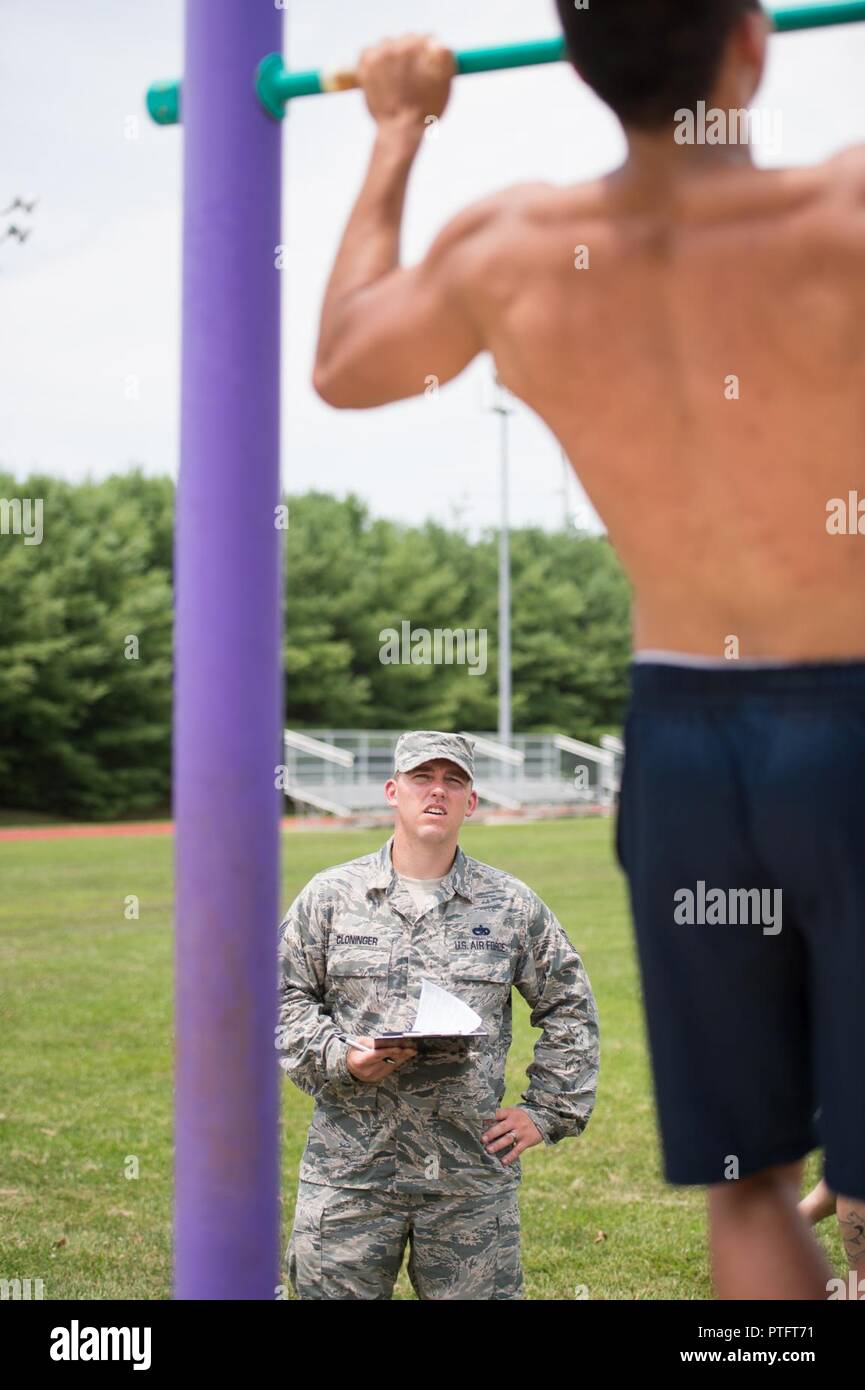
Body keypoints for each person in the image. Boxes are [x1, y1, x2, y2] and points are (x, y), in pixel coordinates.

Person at [310, 1, 865, 1298]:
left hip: (684, 742)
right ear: (751, 44)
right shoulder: (841, 215)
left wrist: (397, 128)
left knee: (746, 1178)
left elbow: (345, 360)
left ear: (578, 61)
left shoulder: (515, 246)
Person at [276, 731, 599, 1300]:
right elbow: (283, 996)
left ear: (470, 802)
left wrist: (548, 1110)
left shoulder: (510, 905)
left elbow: (569, 1002)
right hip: (351, 1170)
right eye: (422, 778)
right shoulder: (331, 897)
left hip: (468, 1175)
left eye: (454, 781)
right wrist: (340, 1058)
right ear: (393, 791)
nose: (437, 792)